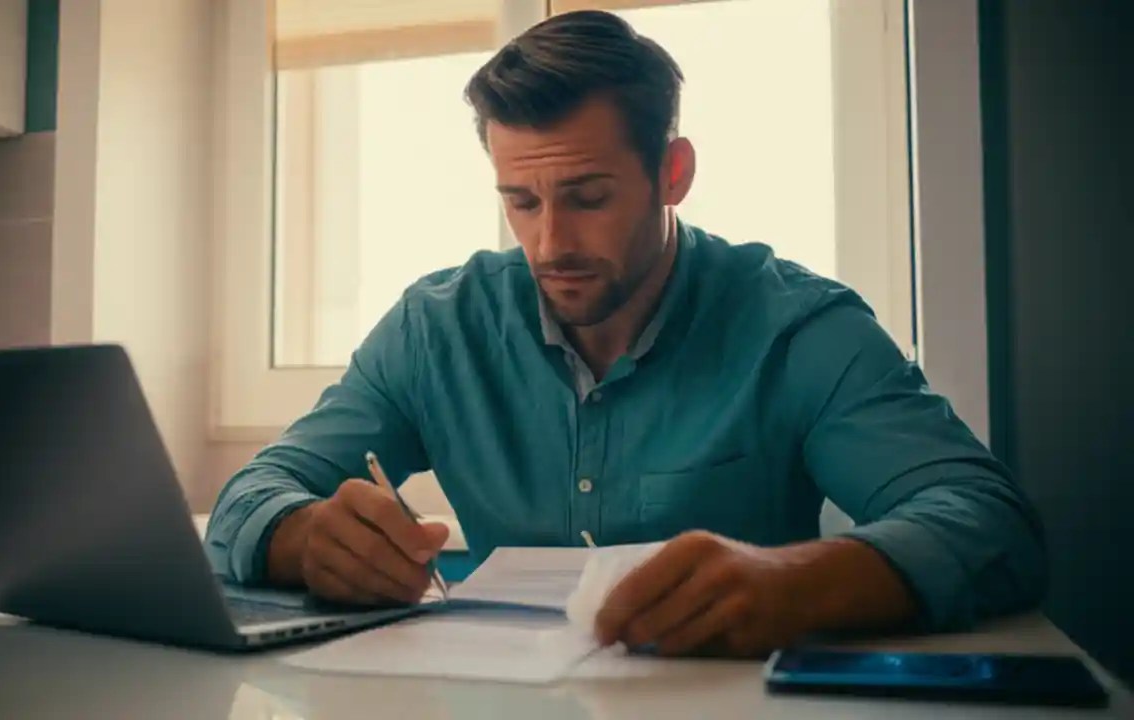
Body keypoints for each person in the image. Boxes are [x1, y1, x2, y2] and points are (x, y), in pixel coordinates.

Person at [206, 10, 1045, 657]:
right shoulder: (436, 329)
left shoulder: (796, 327)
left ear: (672, 174)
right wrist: (302, 539)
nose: (550, 244)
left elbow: (989, 522)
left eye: (589, 197)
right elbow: (251, 496)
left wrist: (791, 581)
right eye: (521, 201)